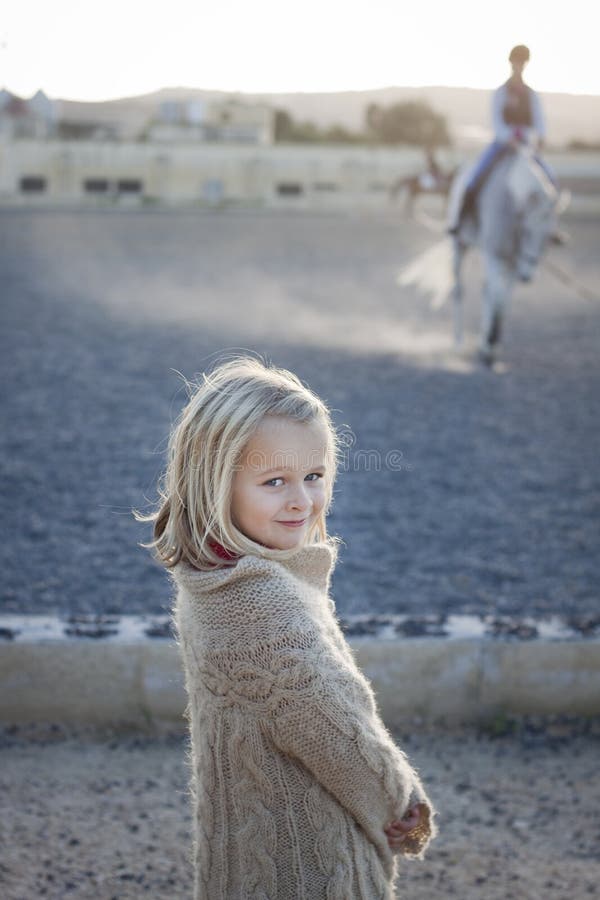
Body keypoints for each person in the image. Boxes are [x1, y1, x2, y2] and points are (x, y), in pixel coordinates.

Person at [143, 356, 437, 899]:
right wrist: (404, 808)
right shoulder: (265, 610)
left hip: (241, 865)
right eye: (274, 480)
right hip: (311, 871)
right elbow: (340, 737)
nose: (302, 500)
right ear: (215, 482)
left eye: (314, 476)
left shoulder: (210, 578)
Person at [449, 44, 555, 233]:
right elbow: (496, 123)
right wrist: (509, 136)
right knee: (476, 176)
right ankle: (461, 220)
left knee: (549, 179)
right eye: (516, 62)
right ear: (511, 63)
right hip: (502, 144)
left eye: (522, 62)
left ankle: (549, 227)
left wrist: (536, 137)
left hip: (526, 147)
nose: (519, 66)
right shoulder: (500, 93)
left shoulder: (531, 95)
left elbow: (539, 122)